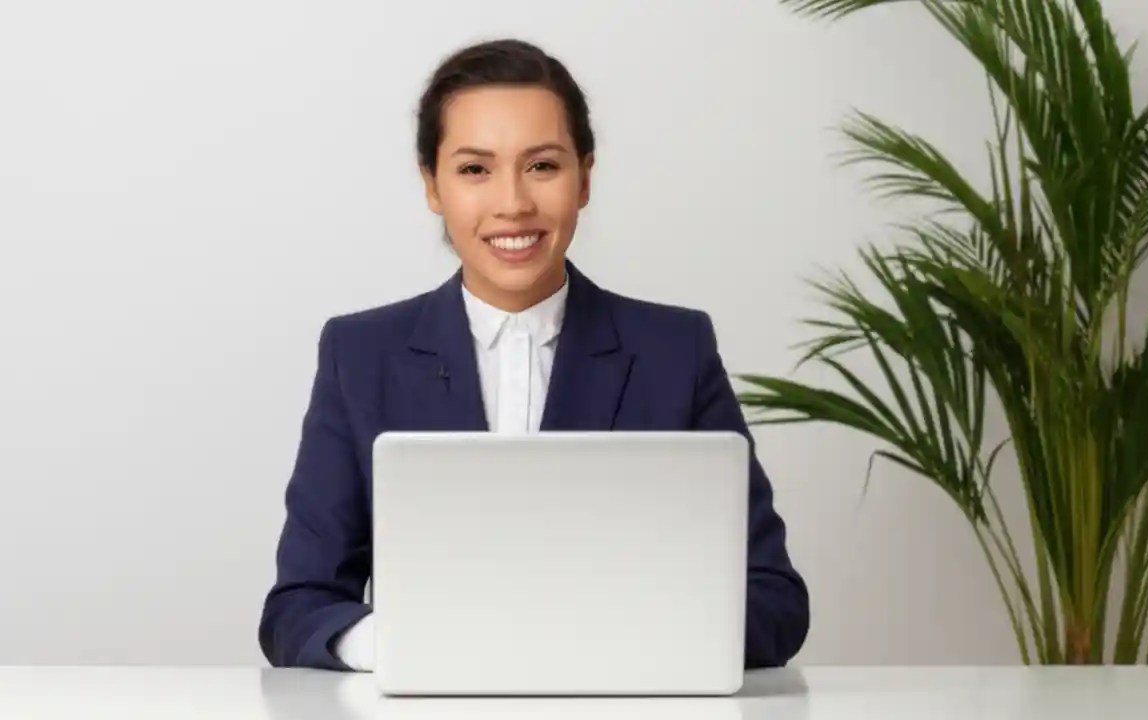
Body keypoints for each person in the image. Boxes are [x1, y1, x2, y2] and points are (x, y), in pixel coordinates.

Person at [258, 37, 810, 672]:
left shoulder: (675, 351)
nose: (513, 203)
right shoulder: (359, 355)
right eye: (475, 169)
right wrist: (404, 645)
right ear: (431, 185)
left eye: (543, 166)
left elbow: (774, 601)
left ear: (585, 179)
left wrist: (612, 638)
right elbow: (297, 609)